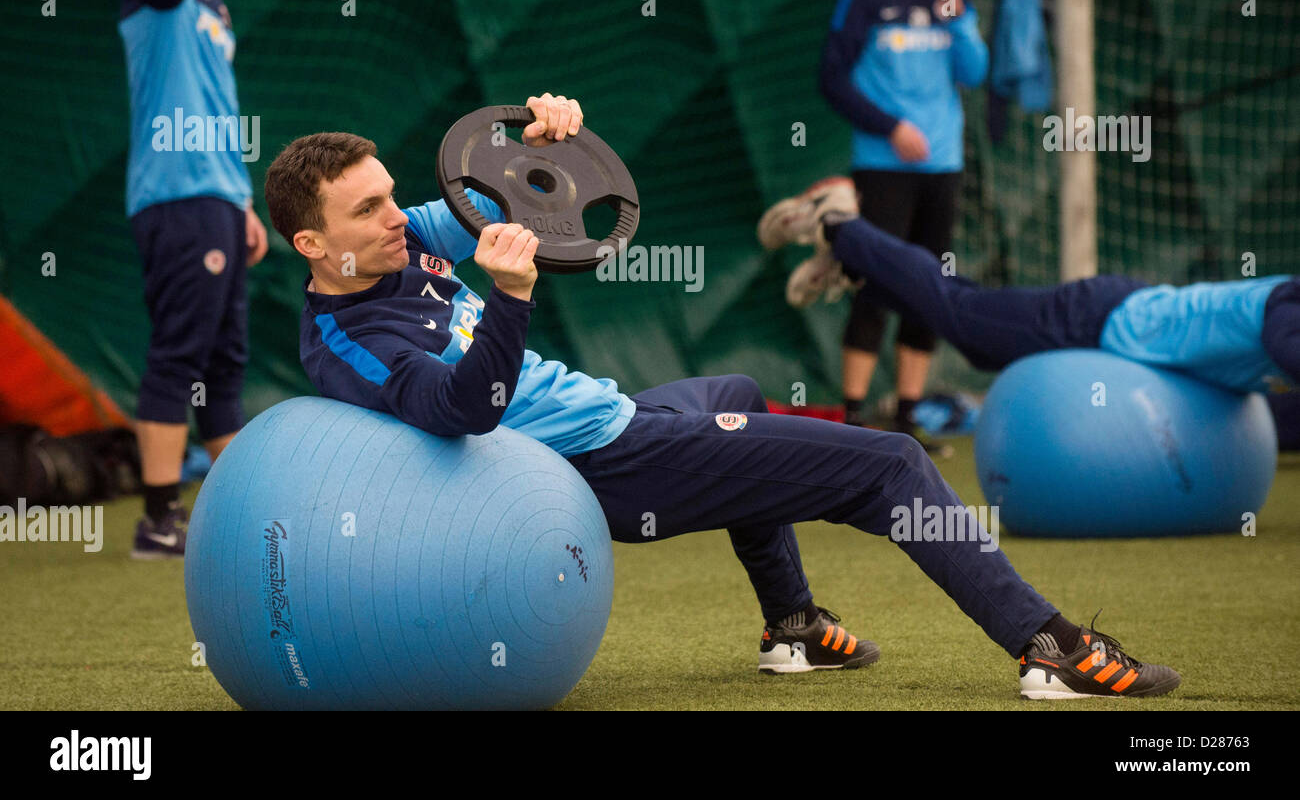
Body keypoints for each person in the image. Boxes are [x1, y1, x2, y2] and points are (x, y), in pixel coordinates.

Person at [261, 94, 1180, 699]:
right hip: (607, 471)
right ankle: (1047, 648)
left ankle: (792, 629)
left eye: (390, 199)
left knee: (737, 388)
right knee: (893, 463)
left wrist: (547, 134)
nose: (397, 217)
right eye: (369, 212)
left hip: (620, 419)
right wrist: (510, 296)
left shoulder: (397, 242)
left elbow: (492, 185)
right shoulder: (349, 343)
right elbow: (466, 410)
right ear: (312, 246)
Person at [119, 0, 304, 559]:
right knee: (180, 354)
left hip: (217, 202)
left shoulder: (209, 2)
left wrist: (243, 206)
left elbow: (215, 112)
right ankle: (158, 521)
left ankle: (239, 513)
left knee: (225, 363)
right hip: (176, 201)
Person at [760, 177, 1300, 414]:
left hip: (1106, 331)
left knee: (976, 337)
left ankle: (862, 273)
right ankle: (837, 222)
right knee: (961, 312)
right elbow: (1283, 335)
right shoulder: (1289, 306)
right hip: (1095, 319)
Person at [808, 0, 987, 453]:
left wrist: (954, 15)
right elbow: (832, 78)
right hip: (883, 165)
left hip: (943, 166)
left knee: (927, 281)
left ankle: (908, 414)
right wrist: (890, 127)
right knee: (874, 277)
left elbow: (976, 72)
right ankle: (855, 415)